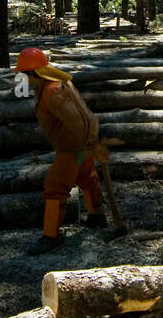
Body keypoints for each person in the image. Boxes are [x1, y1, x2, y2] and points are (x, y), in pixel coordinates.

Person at [16, 48, 108, 255]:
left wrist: (87, 142)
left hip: (72, 146)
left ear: (33, 74)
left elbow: (75, 119)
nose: (21, 78)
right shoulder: (56, 84)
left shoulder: (52, 92)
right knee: (86, 177)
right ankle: (97, 216)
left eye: (23, 74)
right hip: (81, 142)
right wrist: (91, 141)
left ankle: (50, 236)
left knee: (55, 187)